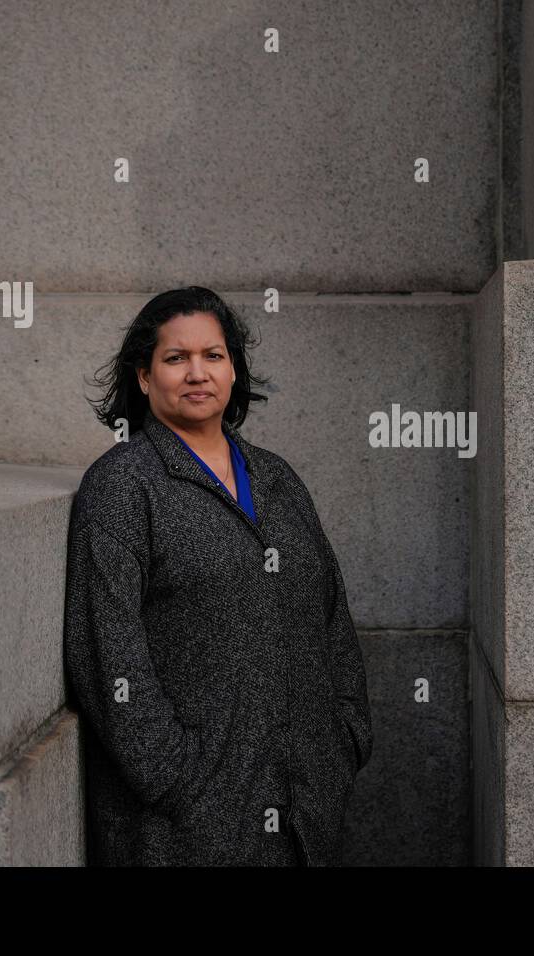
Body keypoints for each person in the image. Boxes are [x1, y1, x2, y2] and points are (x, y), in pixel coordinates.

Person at [63, 286, 372, 866]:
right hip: (185, 827)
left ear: (234, 370)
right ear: (146, 377)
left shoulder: (277, 479)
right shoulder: (123, 487)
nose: (196, 373)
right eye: (175, 359)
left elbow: (331, 613)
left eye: (213, 355)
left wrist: (347, 733)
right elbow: (106, 652)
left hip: (304, 804)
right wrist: (173, 778)